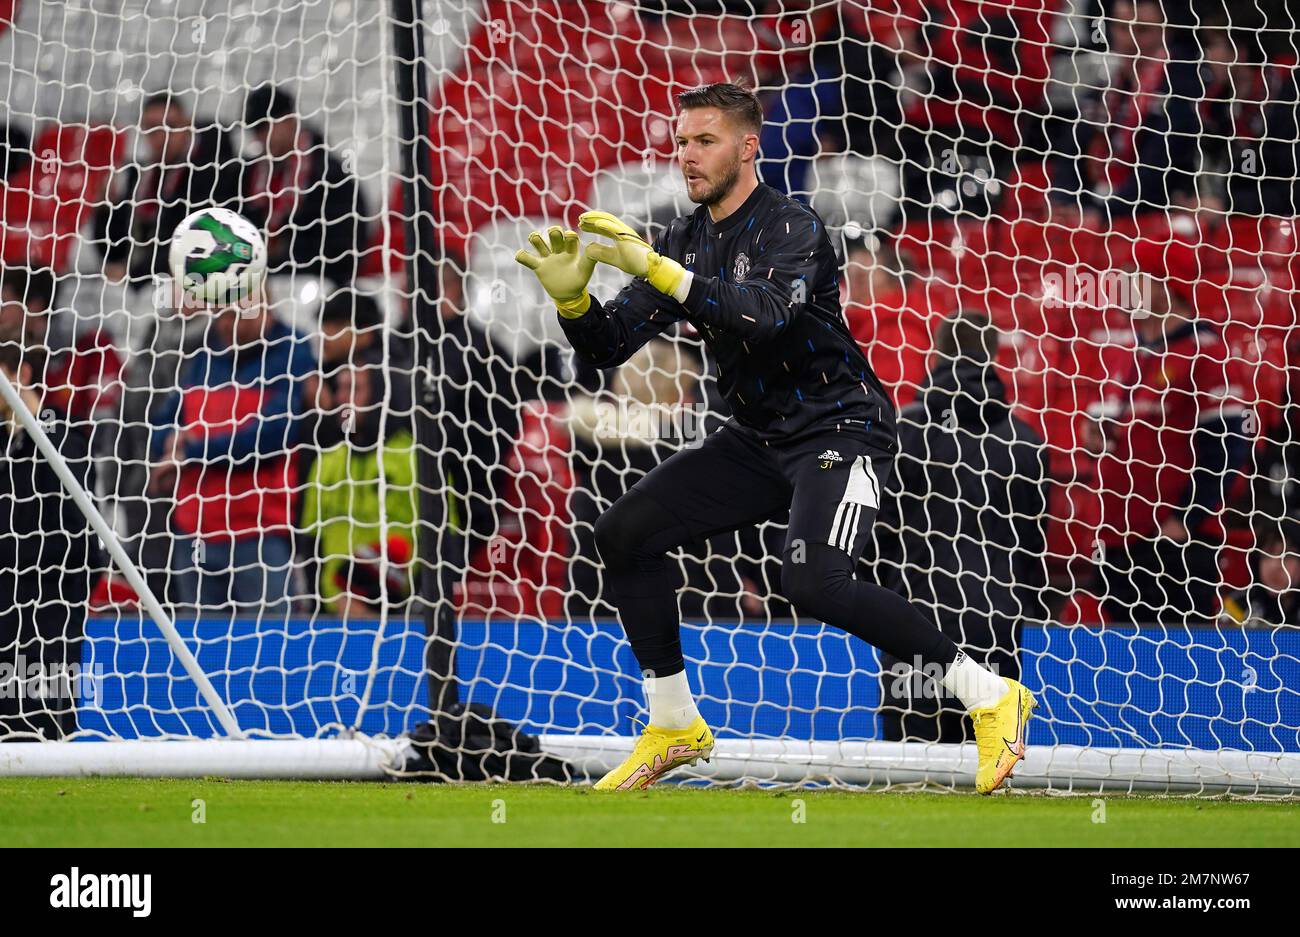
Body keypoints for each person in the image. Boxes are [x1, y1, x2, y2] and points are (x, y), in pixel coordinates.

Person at [515, 80, 1036, 794]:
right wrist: (573, 301)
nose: (687, 155)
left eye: (705, 140)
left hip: (838, 427)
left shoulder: (793, 227)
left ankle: (989, 693)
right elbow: (607, 349)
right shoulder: (684, 237)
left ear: (747, 146)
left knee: (811, 578)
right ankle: (672, 722)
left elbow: (761, 315)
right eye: (681, 140)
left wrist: (664, 272)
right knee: (623, 533)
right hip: (758, 436)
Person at [874, 311, 1049, 743]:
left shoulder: (905, 432)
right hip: (995, 628)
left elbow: (879, 534)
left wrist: (882, 599)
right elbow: (1033, 547)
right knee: (992, 768)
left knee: (908, 773)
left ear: (936, 353)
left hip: (914, 625)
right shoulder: (1025, 443)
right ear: (992, 355)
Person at [1086, 239, 1253, 625]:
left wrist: (1186, 519)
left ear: (1165, 283)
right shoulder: (1138, 353)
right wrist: (1100, 439)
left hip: (1172, 546)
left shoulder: (1206, 351)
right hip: (1120, 541)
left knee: (1176, 666)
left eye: (1133, 277)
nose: (1122, 287)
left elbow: (1228, 446)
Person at [148, 289, 316, 616]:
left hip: (259, 533)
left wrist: (191, 450)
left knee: (268, 650)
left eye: (232, 315)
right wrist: (169, 442)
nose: (223, 324)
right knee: (198, 650)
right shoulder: (204, 356)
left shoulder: (291, 350)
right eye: (220, 314)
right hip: (194, 531)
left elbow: (270, 436)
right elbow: (164, 420)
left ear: (261, 306)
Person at [0, 328, 101, 740]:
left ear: (20, 374)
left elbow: (82, 534)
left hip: (49, 608)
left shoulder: (64, 440)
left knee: (45, 723)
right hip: (6, 602)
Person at [300, 351, 418, 619]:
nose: (342, 397)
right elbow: (309, 541)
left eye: (354, 388)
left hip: (397, 614)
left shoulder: (414, 460)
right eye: (340, 388)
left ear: (380, 394)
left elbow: (442, 540)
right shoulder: (327, 461)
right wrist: (318, 601)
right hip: (332, 615)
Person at [94, 92, 242, 289]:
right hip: (143, 284)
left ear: (188, 125)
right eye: (153, 129)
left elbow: (196, 240)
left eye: (171, 127)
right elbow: (113, 250)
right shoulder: (140, 177)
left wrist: (133, 274)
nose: (162, 137)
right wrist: (105, 210)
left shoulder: (213, 172)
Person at [241, 84, 370, 289]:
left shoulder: (331, 176)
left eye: (267, 126)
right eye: (257, 130)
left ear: (291, 120)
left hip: (314, 287)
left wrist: (282, 250)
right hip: (259, 285)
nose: (263, 137)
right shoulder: (248, 174)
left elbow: (343, 248)